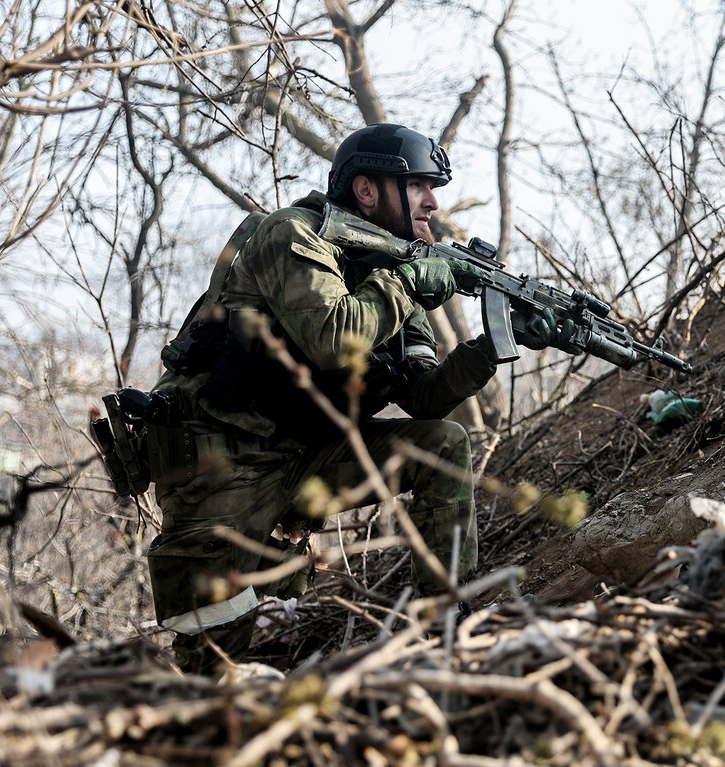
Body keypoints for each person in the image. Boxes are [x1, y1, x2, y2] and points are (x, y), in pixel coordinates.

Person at [144, 124, 567, 674]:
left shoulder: (397, 268)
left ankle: (446, 621)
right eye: (418, 186)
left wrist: (490, 346)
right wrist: (410, 282)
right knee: (214, 658)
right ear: (368, 191)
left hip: (309, 455)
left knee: (442, 445)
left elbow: (423, 396)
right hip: (224, 462)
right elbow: (333, 338)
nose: (433, 202)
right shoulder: (293, 236)